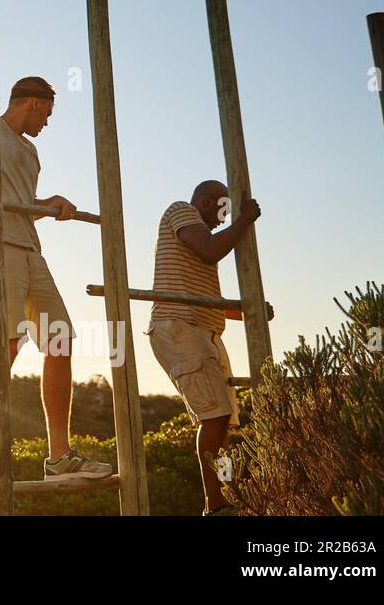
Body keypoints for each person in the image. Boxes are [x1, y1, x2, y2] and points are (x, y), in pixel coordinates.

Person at [0, 41, 114, 481]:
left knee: (60, 340)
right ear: (32, 102)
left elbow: (21, 200)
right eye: (45, 114)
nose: (46, 124)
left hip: (31, 248)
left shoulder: (30, 152)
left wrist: (48, 203)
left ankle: (60, 457)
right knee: (6, 342)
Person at [147, 180, 261, 516]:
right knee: (214, 417)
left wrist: (250, 310)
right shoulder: (181, 210)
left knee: (223, 421)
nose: (223, 220)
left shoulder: (197, 238)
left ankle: (225, 495)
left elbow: (210, 300)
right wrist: (245, 219)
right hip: (180, 326)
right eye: (223, 211)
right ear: (208, 201)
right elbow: (209, 249)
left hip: (204, 329)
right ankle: (215, 505)